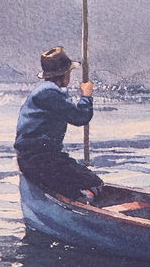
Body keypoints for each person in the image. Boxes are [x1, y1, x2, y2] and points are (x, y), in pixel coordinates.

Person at [14, 46, 104, 202]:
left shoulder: (46, 90)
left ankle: (78, 199)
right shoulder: (50, 93)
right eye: (69, 73)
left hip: (38, 159)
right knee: (95, 184)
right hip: (41, 162)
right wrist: (87, 96)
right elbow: (80, 118)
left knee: (79, 183)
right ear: (64, 74)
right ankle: (83, 204)